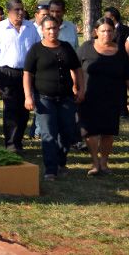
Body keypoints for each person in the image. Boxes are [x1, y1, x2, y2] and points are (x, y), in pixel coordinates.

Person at [23, 15, 84, 180]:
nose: (52, 31)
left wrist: (80, 88)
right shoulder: (36, 49)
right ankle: (50, 169)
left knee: (66, 131)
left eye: (54, 28)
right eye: (48, 28)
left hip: (66, 98)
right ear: (42, 30)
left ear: (59, 29)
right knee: (48, 132)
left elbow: (77, 69)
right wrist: (28, 96)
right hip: (44, 98)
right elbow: (27, 74)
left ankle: (61, 162)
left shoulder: (66, 48)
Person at [77, 18, 129, 176]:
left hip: (113, 98)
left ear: (114, 32)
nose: (106, 34)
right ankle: (95, 162)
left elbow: (128, 76)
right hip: (89, 97)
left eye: (109, 31)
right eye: (103, 31)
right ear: (96, 32)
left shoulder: (120, 52)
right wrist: (75, 87)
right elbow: (75, 69)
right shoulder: (86, 48)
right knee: (91, 131)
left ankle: (104, 162)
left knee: (108, 132)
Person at [0, 0, 40, 154]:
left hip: (27, 74)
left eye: (22, 9)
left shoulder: (31, 28)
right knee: (10, 108)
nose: (21, 12)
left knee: (24, 109)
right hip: (6, 73)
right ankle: (10, 144)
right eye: (17, 9)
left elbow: (37, 51)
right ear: (9, 11)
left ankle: (18, 140)